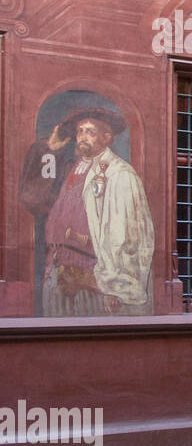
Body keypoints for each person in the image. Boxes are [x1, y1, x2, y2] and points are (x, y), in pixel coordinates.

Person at [22, 108, 154, 316]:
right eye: (80, 131)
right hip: (58, 273)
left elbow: (127, 236)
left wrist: (115, 286)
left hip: (94, 279)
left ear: (107, 137)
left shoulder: (120, 175)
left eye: (90, 132)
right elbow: (33, 200)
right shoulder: (70, 168)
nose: (82, 136)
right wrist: (49, 149)